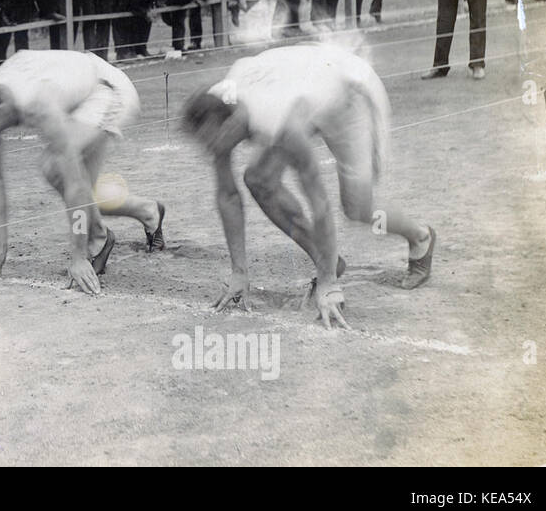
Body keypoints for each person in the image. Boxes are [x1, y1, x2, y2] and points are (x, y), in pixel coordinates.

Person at [181, 42, 436, 328]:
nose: (211, 152)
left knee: (357, 208)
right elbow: (227, 196)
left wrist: (327, 284)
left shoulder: (279, 121)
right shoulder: (220, 102)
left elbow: (319, 201)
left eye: (212, 143)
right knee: (259, 180)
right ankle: (327, 259)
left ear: (228, 126)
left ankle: (419, 237)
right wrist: (239, 272)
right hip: (302, 89)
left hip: (348, 94)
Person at [0, 49, 166, 295]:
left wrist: (78, 256)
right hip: (76, 95)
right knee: (82, 188)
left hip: (106, 89)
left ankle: (98, 241)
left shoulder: (38, 103)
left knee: (58, 169)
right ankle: (147, 211)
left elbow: (75, 186)